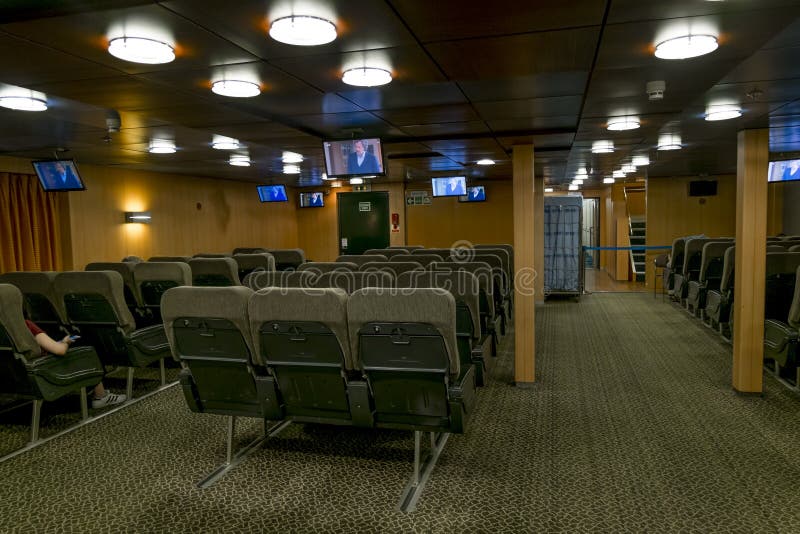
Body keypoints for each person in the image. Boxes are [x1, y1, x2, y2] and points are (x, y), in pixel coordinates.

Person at [25, 320, 127, 409]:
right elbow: (60, 350)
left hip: (26, 374)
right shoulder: (27, 324)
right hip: (48, 370)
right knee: (86, 347)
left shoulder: (11, 328)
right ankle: (101, 396)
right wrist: (65, 342)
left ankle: (93, 388)